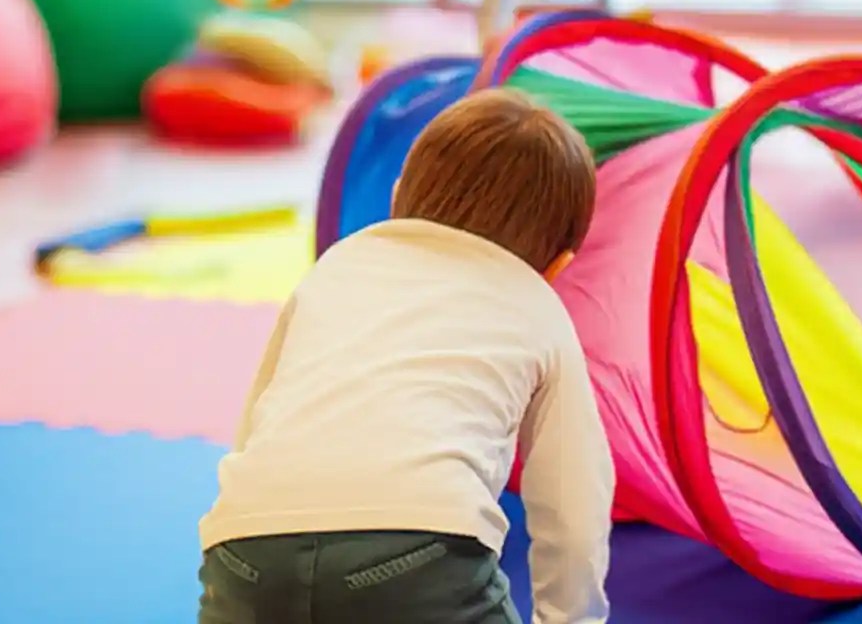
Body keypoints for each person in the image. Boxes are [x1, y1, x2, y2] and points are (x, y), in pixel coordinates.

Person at [198, 88, 615, 624]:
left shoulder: (339, 264)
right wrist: (569, 617)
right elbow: (573, 498)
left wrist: (255, 515)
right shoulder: (539, 304)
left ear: (397, 199)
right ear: (559, 264)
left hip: (245, 549)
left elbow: (260, 420)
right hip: (418, 554)